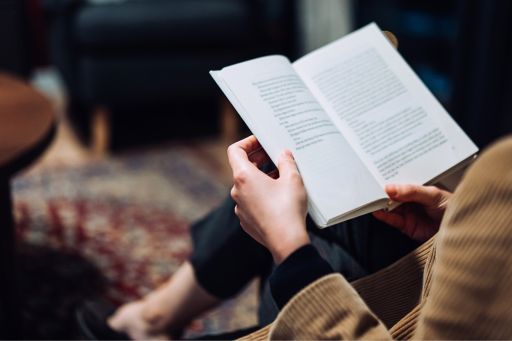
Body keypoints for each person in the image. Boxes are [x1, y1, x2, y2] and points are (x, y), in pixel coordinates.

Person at [228, 135, 512, 339]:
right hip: (407, 292)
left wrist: (289, 248)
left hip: (364, 321)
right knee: (285, 174)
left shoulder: (501, 170)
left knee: (275, 183)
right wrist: (462, 225)